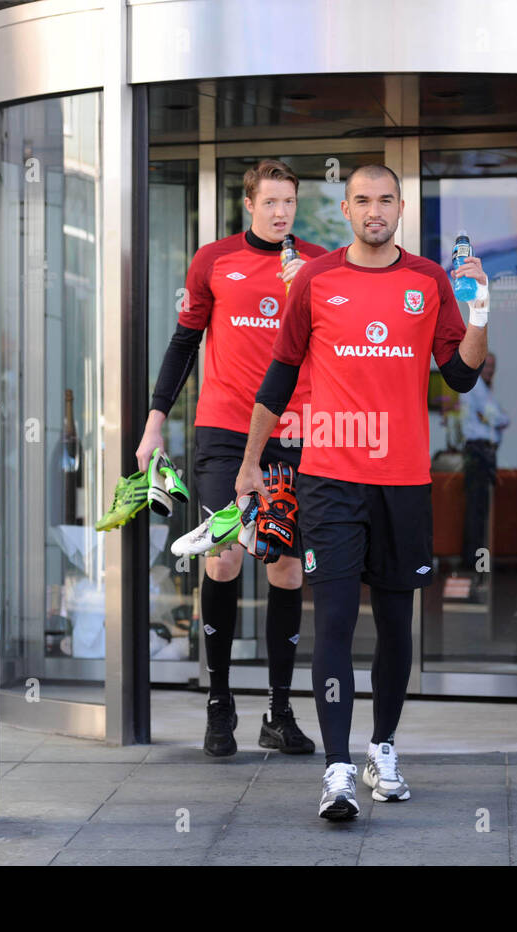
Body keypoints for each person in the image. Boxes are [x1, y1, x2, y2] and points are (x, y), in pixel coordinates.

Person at [236, 164, 489, 821]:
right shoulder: (317, 281)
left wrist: (482, 313)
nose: (374, 210)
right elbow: (279, 376)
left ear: (400, 207)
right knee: (338, 622)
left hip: (404, 481)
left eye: (385, 200)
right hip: (331, 480)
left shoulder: (429, 281)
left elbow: (459, 376)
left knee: (399, 627)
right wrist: (250, 461)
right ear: (345, 209)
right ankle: (337, 769)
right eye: (362, 200)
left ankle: (383, 748)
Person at [135, 159, 327, 758]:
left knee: (287, 569)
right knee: (222, 558)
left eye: (289, 203)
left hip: (293, 432)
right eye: (269, 202)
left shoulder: (319, 265)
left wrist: (306, 298)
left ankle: (278, 708)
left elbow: (335, 349)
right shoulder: (214, 260)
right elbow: (183, 343)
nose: (280, 213)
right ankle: (219, 701)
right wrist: (154, 424)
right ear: (249, 204)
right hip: (223, 429)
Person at [458, 354, 509, 572]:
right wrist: (501, 418)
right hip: (480, 452)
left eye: (493, 366)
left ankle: (476, 560)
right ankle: (475, 562)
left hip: (481, 452)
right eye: (487, 365)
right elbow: (498, 418)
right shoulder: (476, 387)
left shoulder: (484, 388)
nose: (490, 370)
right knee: (478, 508)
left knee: (480, 507)